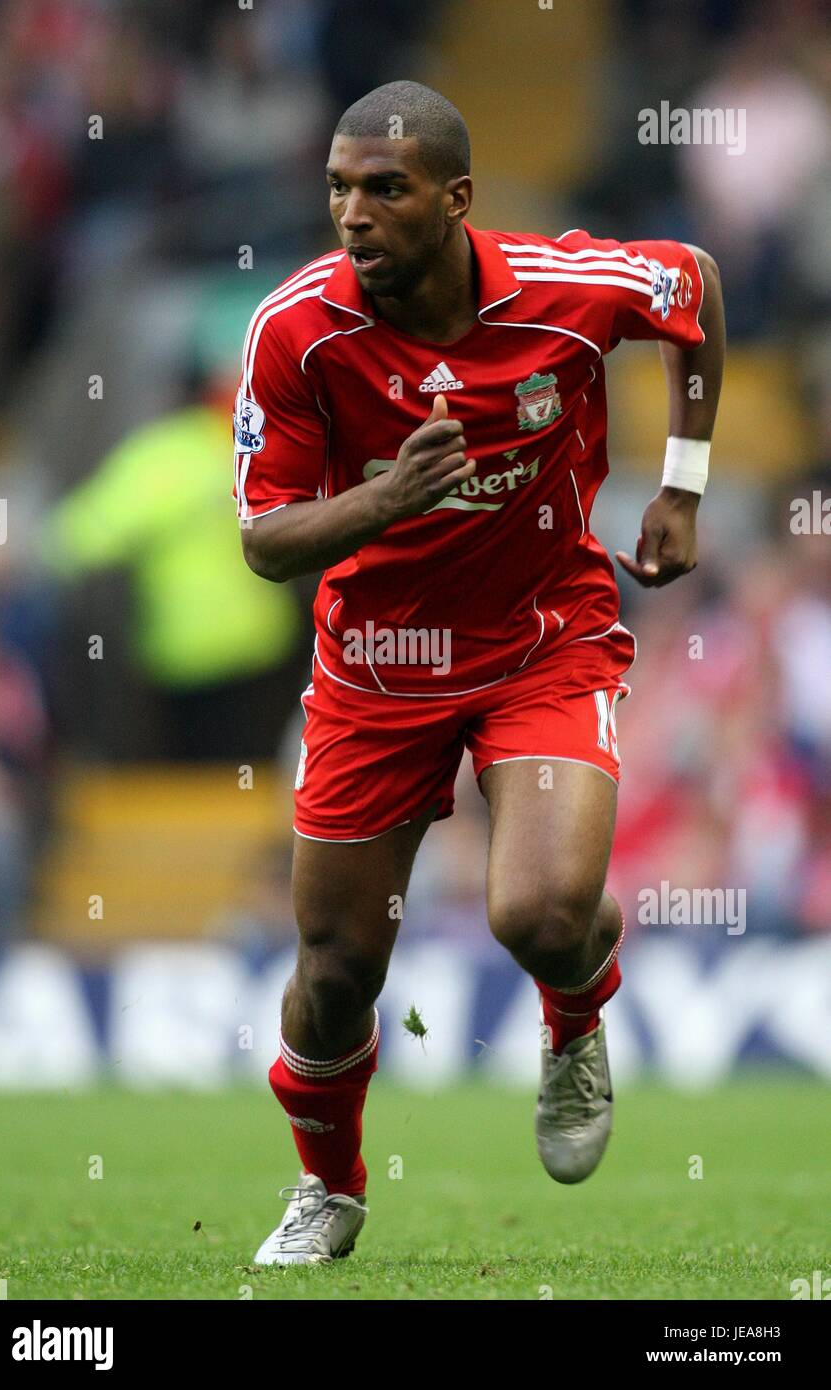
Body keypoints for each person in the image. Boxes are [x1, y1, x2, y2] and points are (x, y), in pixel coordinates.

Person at [233, 81, 724, 1264]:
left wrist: (683, 481)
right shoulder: (296, 330)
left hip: (542, 633)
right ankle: (331, 1185)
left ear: (455, 200)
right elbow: (262, 541)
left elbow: (694, 282)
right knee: (339, 969)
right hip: (375, 668)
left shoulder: (567, 293)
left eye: (385, 190)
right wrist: (383, 500)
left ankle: (573, 1017)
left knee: (539, 911)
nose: (353, 214)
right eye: (340, 188)